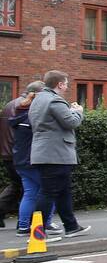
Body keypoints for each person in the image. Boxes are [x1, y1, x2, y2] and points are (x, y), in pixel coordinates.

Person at [29, 71, 91, 238]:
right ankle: (37, 234)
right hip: (55, 154)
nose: (67, 86)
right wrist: (78, 111)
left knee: (63, 191)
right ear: (60, 84)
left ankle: (71, 227)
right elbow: (71, 122)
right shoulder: (55, 100)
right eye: (66, 83)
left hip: (43, 152)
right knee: (48, 192)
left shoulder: (38, 99)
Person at [7, 82, 55, 238]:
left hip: (20, 159)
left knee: (29, 193)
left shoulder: (19, 114)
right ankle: (44, 224)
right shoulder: (34, 116)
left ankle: (23, 226)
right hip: (35, 159)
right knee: (50, 190)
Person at [0, 89, 22, 230]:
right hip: (18, 153)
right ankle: (26, 222)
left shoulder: (10, 105)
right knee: (30, 189)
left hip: (7, 153)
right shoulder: (24, 107)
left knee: (16, 186)